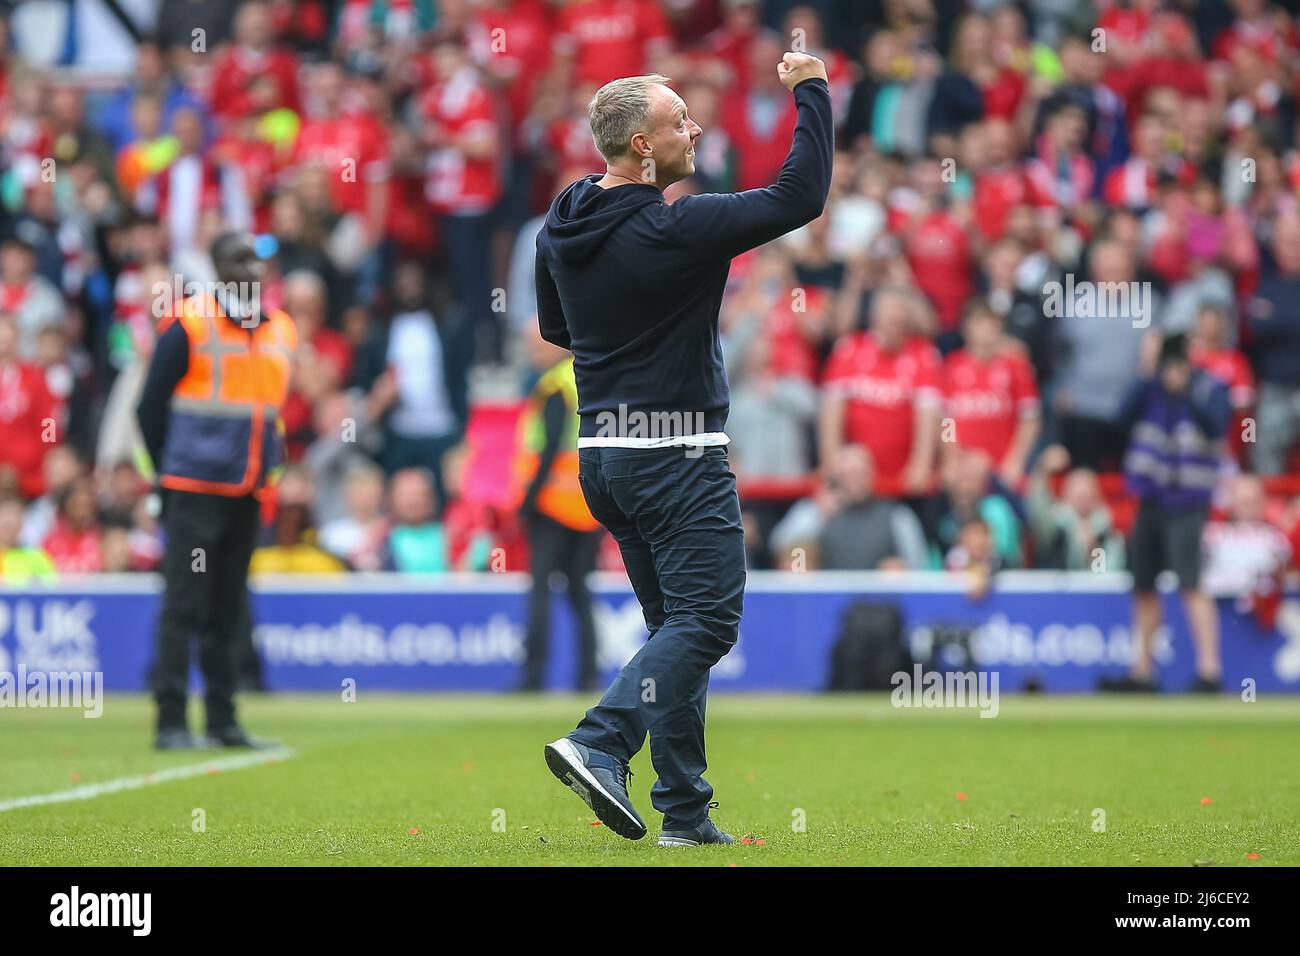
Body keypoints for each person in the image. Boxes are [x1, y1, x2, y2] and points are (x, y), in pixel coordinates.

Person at [537, 53, 833, 847]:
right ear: (641, 145)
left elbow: (556, 330)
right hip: (679, 454)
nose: (694, 127)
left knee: (674, 629)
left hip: (602, 455)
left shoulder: (561, 219)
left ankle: (685, 813)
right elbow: (800, 195)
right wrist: (810, 88)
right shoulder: (680, 227)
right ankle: (602, 739)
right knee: (706, 621)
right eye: (679, 121)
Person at [136, 231, 298, 750]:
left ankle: (224, 720)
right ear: (216, 265)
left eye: (258, 259)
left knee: (229, 607)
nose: (252, 268)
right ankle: (171, 721)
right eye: (240, 259)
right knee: (185, 604)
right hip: (194, 488)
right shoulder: (189, 322)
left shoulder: (281, 329)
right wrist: (168, 475)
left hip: (247, 489)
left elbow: (269, 412)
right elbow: (149, 407)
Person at [1106, 333, 1229, 693]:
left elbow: (1215, 425)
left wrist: (1186, 389)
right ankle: (1142, 671)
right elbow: (1119, 418)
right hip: (1151, 499)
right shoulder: (1149, 388)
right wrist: (1146, 374)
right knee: (1143, 585)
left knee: (1191, 583)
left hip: (1189, 500)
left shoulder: (1209, 386)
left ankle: (1209, 670)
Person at [514, 326, 603, 692]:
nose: (531, 351)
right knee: (580, 591)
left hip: (552, 502)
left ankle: (533, 676)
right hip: (588, 501)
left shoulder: (554, 385)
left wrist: (528, 499)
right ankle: (588, 676)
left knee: (540, 589)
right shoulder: (587, 379)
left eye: (536, 344)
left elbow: (548, 447)